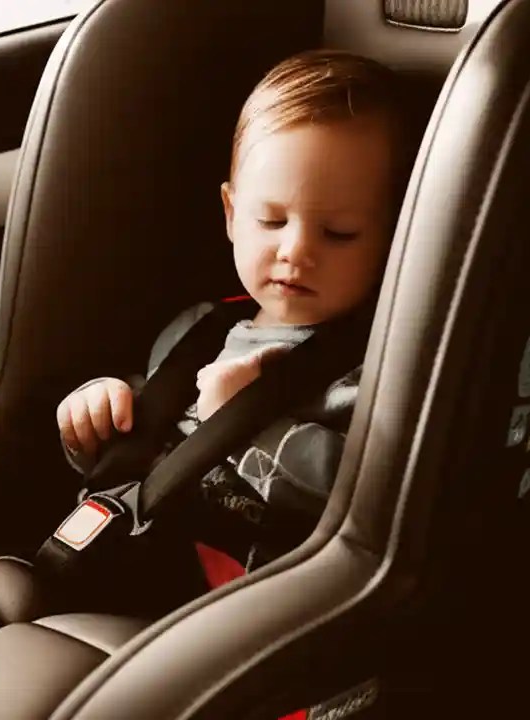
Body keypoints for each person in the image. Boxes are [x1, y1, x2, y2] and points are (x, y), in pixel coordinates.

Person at [55, 49, 412, 586]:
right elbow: (149, 454)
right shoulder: (197, 331)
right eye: (270, 220)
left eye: (338, 232)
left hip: (248, 612)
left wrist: (252, 425)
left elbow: (366, 499)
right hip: (132, 573)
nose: (296, 250)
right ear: (230, 214)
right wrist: (100, 417)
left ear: (391, 239)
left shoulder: (366, 373)